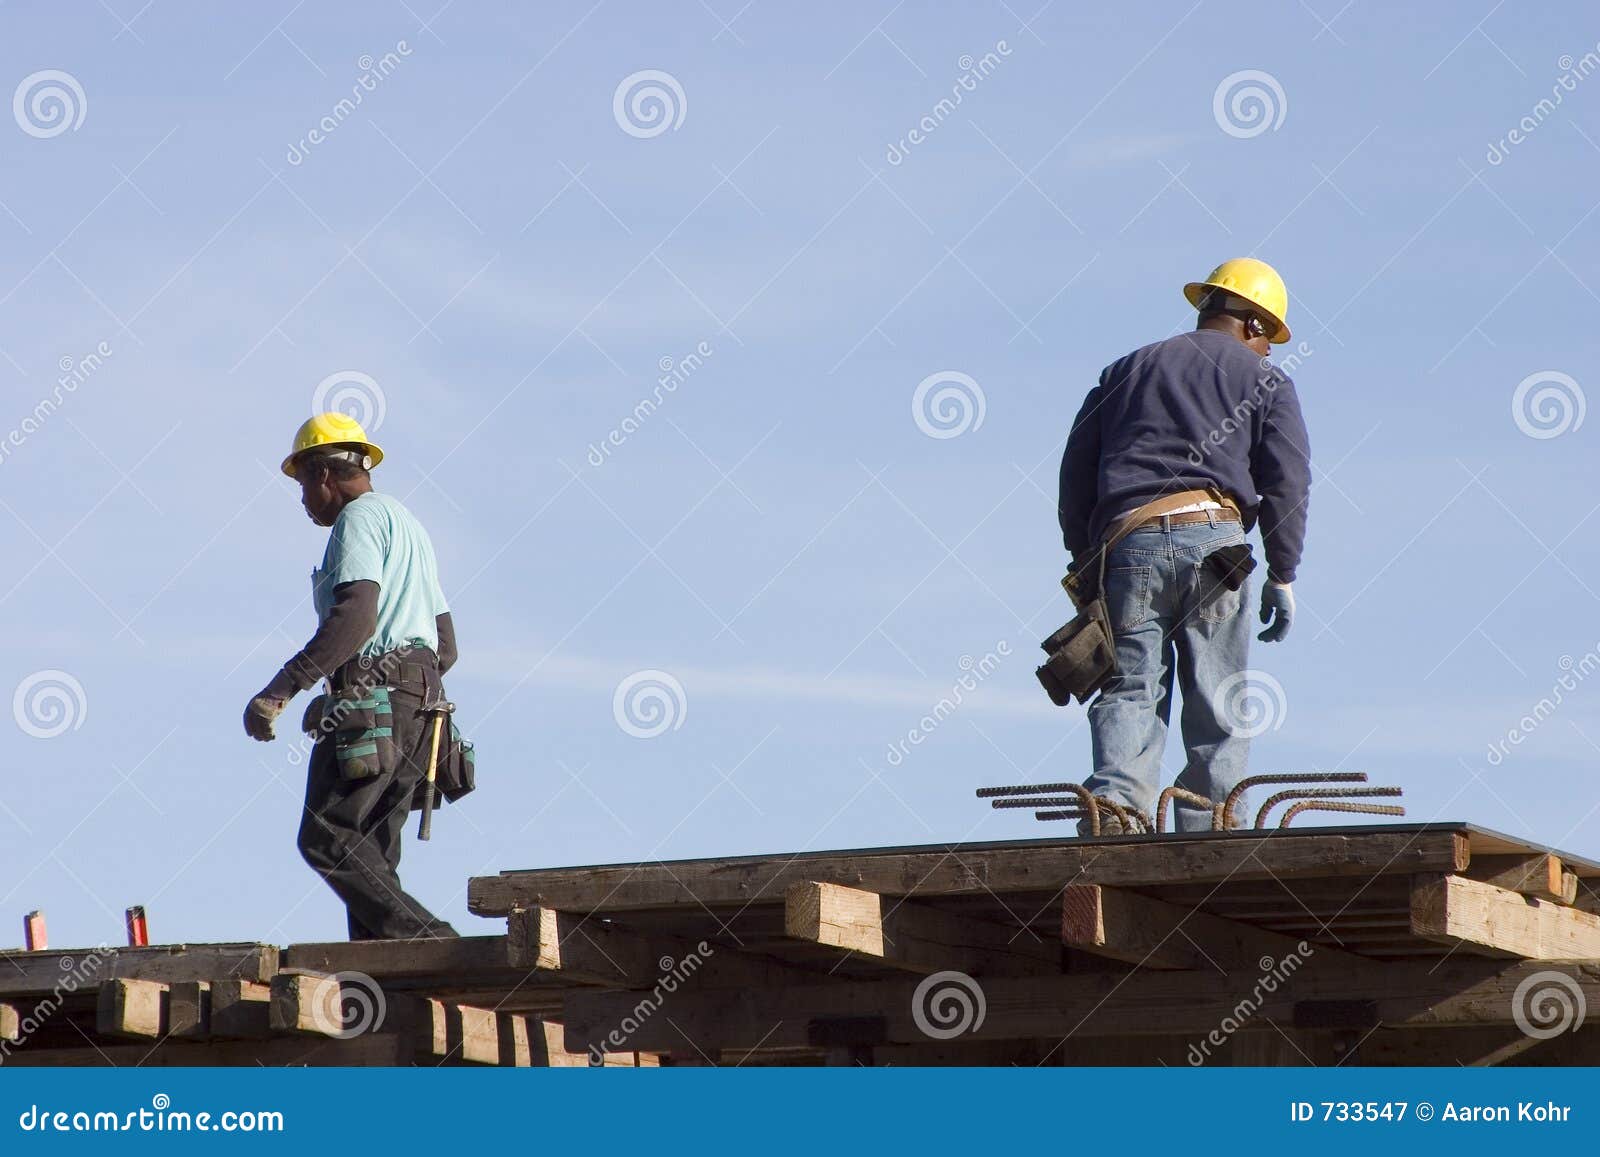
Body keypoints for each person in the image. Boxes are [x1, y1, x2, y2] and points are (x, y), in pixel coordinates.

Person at [1058, 258, 1311, 833]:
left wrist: (1085, 561)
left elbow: (1075, 475)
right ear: (1252, 323)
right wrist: (1282, 572)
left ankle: (1117, 813)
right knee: (1218, 696)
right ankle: (1210, 829)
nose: (1267, 351)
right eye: (1268, 337)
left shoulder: (1124, 371)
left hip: (1128, 546)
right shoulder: (1265, 381)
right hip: (1215, 549)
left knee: (1129, 688)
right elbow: (1288, 482)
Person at [244, 411, 460, 938]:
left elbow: (356, 617)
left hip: (379, 703)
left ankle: (432, 943)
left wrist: (282, 690)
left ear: (323, 473)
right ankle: (389, 976)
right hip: (423, 708)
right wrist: (377, 686)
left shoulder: (357, 520)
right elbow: (446, 645)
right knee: (371, 858)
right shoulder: (407, 525)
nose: (302, 499)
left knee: (327, 835)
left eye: (302, 484)